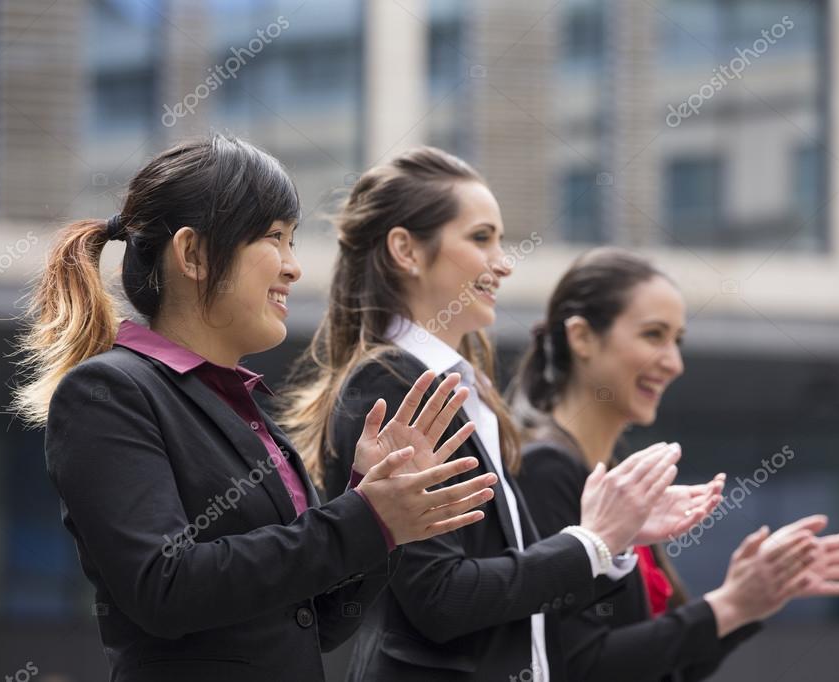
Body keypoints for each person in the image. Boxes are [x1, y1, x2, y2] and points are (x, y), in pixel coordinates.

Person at [10, 135, 497, 682]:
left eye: (293, 242)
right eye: (274, 238)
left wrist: (375, 509)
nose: (293, 268)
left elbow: (318, 623)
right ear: (192, 253)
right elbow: (163, 587)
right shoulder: (110, 391)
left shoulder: (241, 405)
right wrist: (362, 518)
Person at [282, 147, 720, 681]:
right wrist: (593, 541)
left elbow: (513, 601)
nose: (503, 261)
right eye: (481, 238)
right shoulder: (394, 384)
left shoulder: (456, 387)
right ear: (406, 250)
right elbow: (441, 599)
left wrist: (613, 538)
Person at [513, 246, 839, 681]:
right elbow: (580, 665)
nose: (673, 362)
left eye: (678, 340)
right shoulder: (547, 470)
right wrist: (729, 605)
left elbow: (669, 668)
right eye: (653, 335)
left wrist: (749, 601)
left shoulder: (620, 480)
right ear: (582, 338)